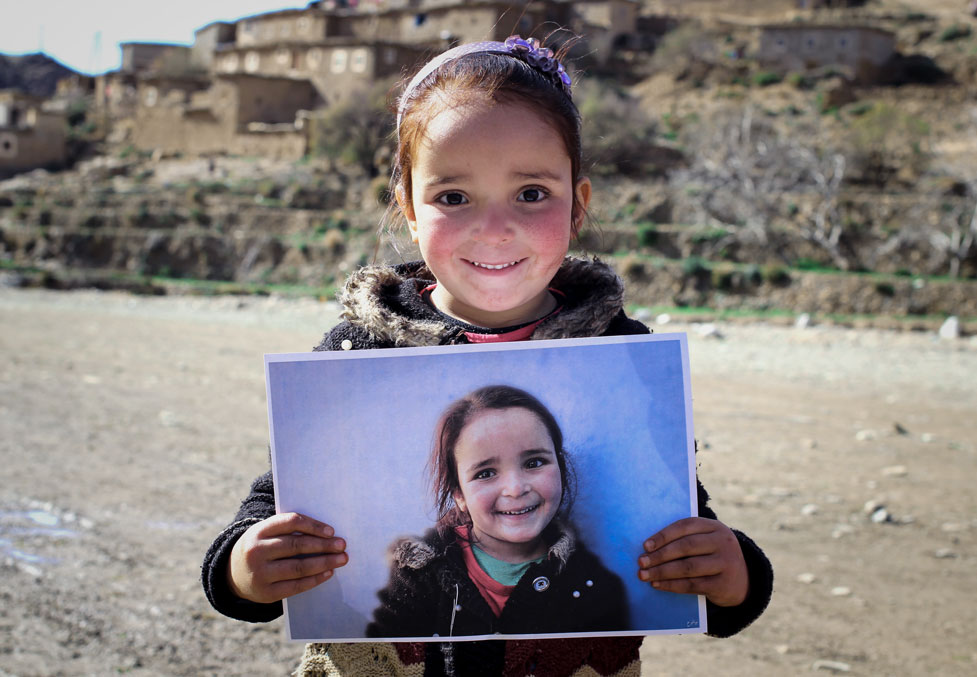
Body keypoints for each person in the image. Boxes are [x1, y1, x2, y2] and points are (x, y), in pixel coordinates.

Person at [202, 35, 773, 677]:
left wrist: (733, 577)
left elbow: (687, 530)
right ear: (409, 211)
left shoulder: (622, 357)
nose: (494, 228)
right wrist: (244, 570)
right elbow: (265, 515)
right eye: (453, 197)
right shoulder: (356, 352)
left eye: (531, 193)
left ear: (578, 205)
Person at [366, 385, 630, 640]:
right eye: (486, 473)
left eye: (534, 462)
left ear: (560, 468)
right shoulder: (417, 577)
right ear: (459, 495)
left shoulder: (594, 586)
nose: (515, 489)